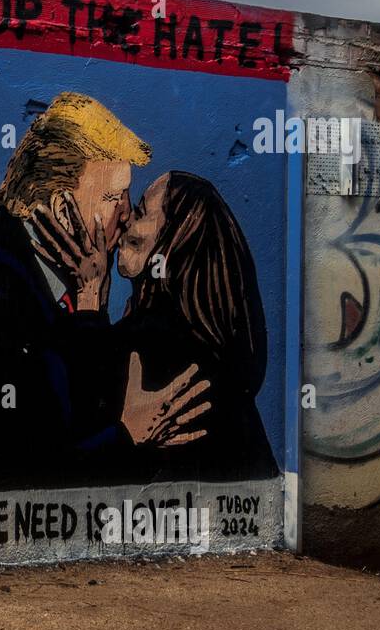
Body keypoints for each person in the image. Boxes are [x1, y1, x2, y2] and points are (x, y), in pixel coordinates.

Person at [0, 92, 210, 500]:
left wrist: (91, 304)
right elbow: (30, 464)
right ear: (60, 209)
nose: (125, 214)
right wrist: (128, 435)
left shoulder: (42, 272)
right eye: (113, 197)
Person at [107, 171, 278, 482]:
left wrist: (88, 305)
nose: (125, 221)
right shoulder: (219, 361)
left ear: (177, 239)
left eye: (142, 212)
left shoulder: (143, 346)